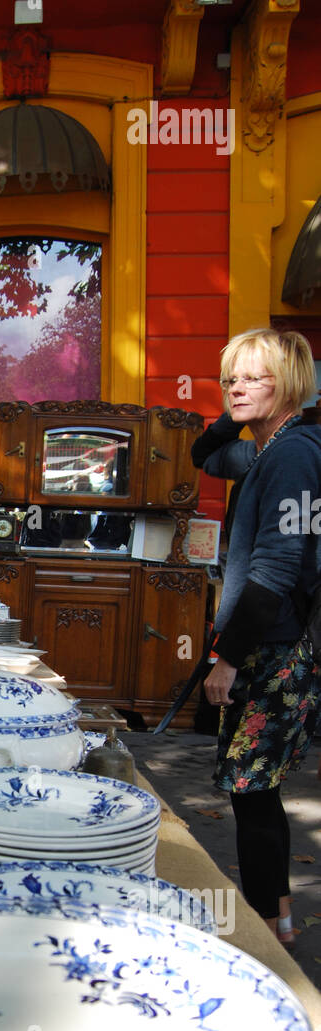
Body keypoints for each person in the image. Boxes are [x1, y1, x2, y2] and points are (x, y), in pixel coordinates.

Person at [192, 328, 321, 950]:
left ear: (291, 383)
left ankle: (264, 940)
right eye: (230, 378)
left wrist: (224, 657)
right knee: (257, 794)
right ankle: (282, 919)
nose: (236, 387)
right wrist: (236, 414)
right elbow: (203, 455)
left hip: (272, 649)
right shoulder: (266, 449)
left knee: (250, 791)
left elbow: (276, 569)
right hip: (265, 645)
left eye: (253, 376)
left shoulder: (294, 454)